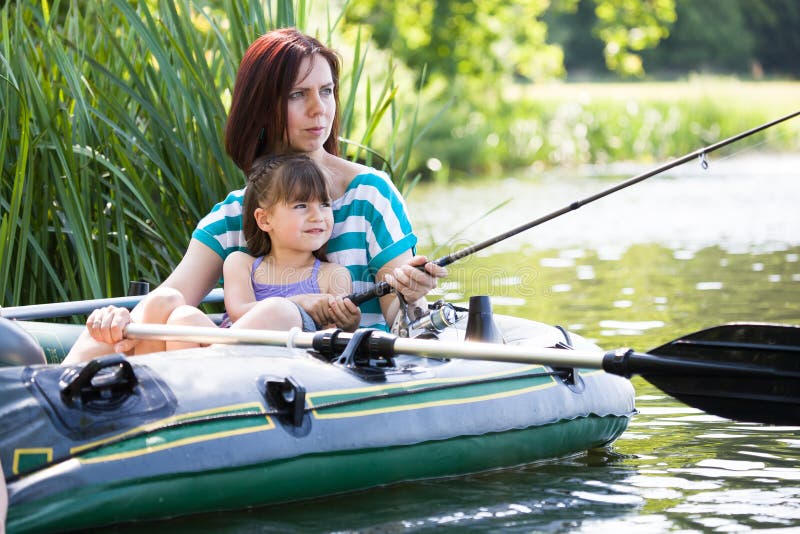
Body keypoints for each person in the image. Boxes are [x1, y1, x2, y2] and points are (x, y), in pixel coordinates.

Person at [63, 28, 445, 364]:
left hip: (336, 384)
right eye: (298, 94)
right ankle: (53, 394)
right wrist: (117, 318)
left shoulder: (370, 194)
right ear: (262, 106)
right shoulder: (233, 213)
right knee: (163, 307)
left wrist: (411, 295)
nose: (319, 109)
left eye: (326, 91)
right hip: (241, 381)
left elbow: (403, 320)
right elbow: (170, 297)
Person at [162, 153, 361, 351]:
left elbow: (334, 340)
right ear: (265, 220)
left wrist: (348, 323)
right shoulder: (240, 263)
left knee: (280, 310)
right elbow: (238, 313)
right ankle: (203, 372)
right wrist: (297, 303)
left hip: (294, 363)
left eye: (324, 204)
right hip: (236, 345)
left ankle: (214, 362)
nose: (318, 216)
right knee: (184, 318)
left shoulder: (333, 275)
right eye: (301, 205)